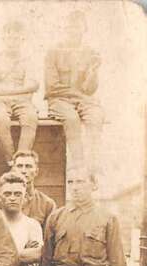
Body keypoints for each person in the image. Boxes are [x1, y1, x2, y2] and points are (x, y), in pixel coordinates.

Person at [45, 10, 103, 173]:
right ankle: (78, 167)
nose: (73, 31)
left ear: (84, 29)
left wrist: (92, 72)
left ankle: (93, 168)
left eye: (77, 27)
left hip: (84, 101)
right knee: (71, 119)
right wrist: (80, 94)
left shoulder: (90, 53)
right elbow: (52, 86)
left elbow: (89, 90)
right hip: (59, 101)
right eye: (69, 27)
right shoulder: (53, 52)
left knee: (97, 116)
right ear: (63, 29)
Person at [0, 20, 39, 167]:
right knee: (1, 119)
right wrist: (23, 90)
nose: (12, 42)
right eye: (9, 38)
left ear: (22, 40)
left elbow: (33, 85)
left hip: (22, 102)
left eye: (16, 38)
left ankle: (22, 161)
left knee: (31, 118)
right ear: (3, 39)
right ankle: (11, 161)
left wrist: (6, 91)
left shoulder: (28, 60)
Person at [0, 150, 57, 226]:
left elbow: (49, 235)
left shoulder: (47, 204)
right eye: (19, 166)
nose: (23, 171)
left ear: (36, 171)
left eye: (28, 166)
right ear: (13, 169)